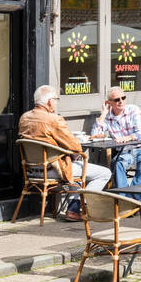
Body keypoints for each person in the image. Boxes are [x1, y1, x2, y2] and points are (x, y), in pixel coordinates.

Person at [18, 85, 111, 221]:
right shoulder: (54, 119)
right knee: (104, 173)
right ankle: (83, 207)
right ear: (50, 102)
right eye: (56, 99)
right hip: (53, 169)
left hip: (31, 170)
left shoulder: (24, 118)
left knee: (76, 176)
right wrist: (73, 151)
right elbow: (75, 145)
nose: (56, 102)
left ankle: (73, 211)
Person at [92, 86, 141, 197]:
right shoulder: (107, 117)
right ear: (109, 102)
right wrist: (104, 113)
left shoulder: (133, 110)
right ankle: (123, 198)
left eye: (123, 98)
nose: (121, 101)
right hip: (124, 152)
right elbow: (94, 135)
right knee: (117, 163)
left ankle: (132, 200)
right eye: (117, 99)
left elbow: (140, 134)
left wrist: (128, 137)